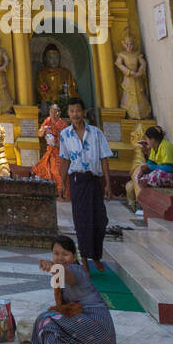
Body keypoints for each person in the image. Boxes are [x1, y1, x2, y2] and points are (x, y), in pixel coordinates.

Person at [29, 234, 117, 344]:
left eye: (65, 254)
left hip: (98, 327)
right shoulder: (61, 276)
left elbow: (66, 274)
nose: (60, 258)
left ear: (74, 257)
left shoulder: (76, 270)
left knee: (44, 320)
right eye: (56, 254)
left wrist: (55, 266)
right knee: (50, 325)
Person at [59, 98, 112, 272]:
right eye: (72, 111)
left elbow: (104, 158)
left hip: (94, 181)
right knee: (82, 221)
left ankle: (96, 256)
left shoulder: (96, 133)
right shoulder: (65, 134)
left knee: (100, 220)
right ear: (68, 113)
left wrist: (108, 184)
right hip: (77, 181)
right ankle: (84, 259)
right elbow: (65, 160)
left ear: (84, 112)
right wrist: (62, 183)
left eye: (78, 111)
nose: (75, 114)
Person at [129, 125, 173, 203]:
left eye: (147, 139)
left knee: (156, 175)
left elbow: (168, 168)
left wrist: (149, 167)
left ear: (153, 139)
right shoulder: (154, 148)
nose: (147, 141)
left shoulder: (166, 146)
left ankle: (149, 197)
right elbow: (150, 163)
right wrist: (143, 168)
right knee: (140, 176)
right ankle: (146, 199)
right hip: (172, 174)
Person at [32, 103, 69, 197]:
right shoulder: (48, 121)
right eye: (51, 112)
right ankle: (52, 193)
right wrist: (43, 129)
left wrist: (56, 144)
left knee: (58, 173)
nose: (52, 114)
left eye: (54, 112)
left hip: (60, 153)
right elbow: (39, 134)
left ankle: (62, 194)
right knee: (43, 170)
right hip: (50, 152)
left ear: (59, 113)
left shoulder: (63, 125)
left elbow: (65, 141)